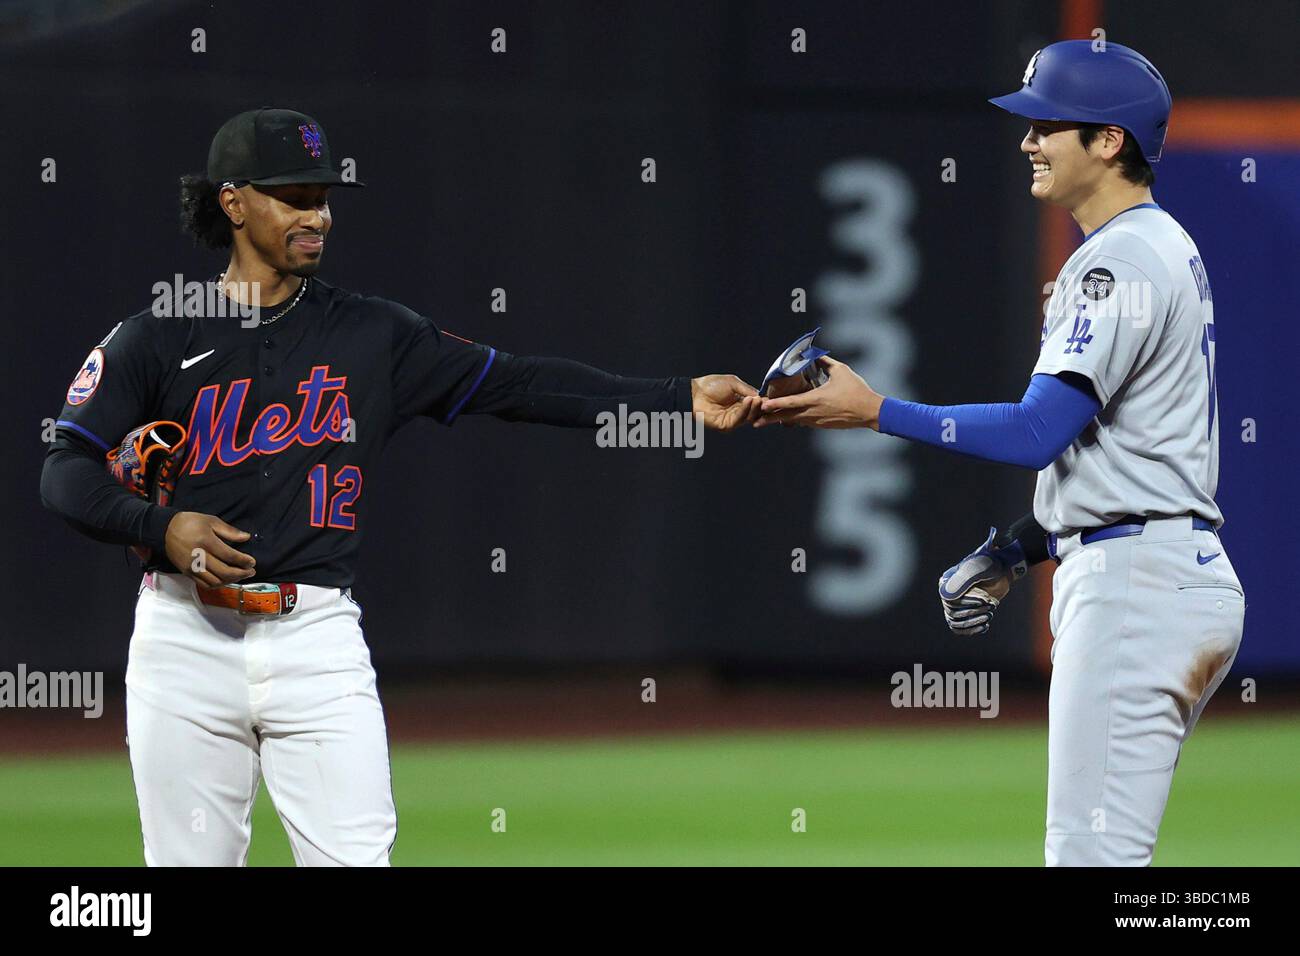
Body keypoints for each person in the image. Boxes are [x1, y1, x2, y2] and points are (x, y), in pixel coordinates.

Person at [41, 107, 760, 866]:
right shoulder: (159, 334)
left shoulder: (372, 335)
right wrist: (160, 530)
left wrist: (676, 398)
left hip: (314, 639)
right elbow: (64, 471)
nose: (317, 214)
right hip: (184, 638)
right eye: (293, 195)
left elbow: (519, 385)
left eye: (323, 194)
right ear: (234, 201)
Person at [756, 41, 1244, 866]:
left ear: (1110, 141)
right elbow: (1129, 455)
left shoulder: (1119, 261)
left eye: (1048, 124)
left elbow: (1035, 431)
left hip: (1139, 585)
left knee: (1090, 861)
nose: (1027, 141)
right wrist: (1022, 547)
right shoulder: (1159, 246)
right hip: (1163, 567)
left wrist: (875, 411)